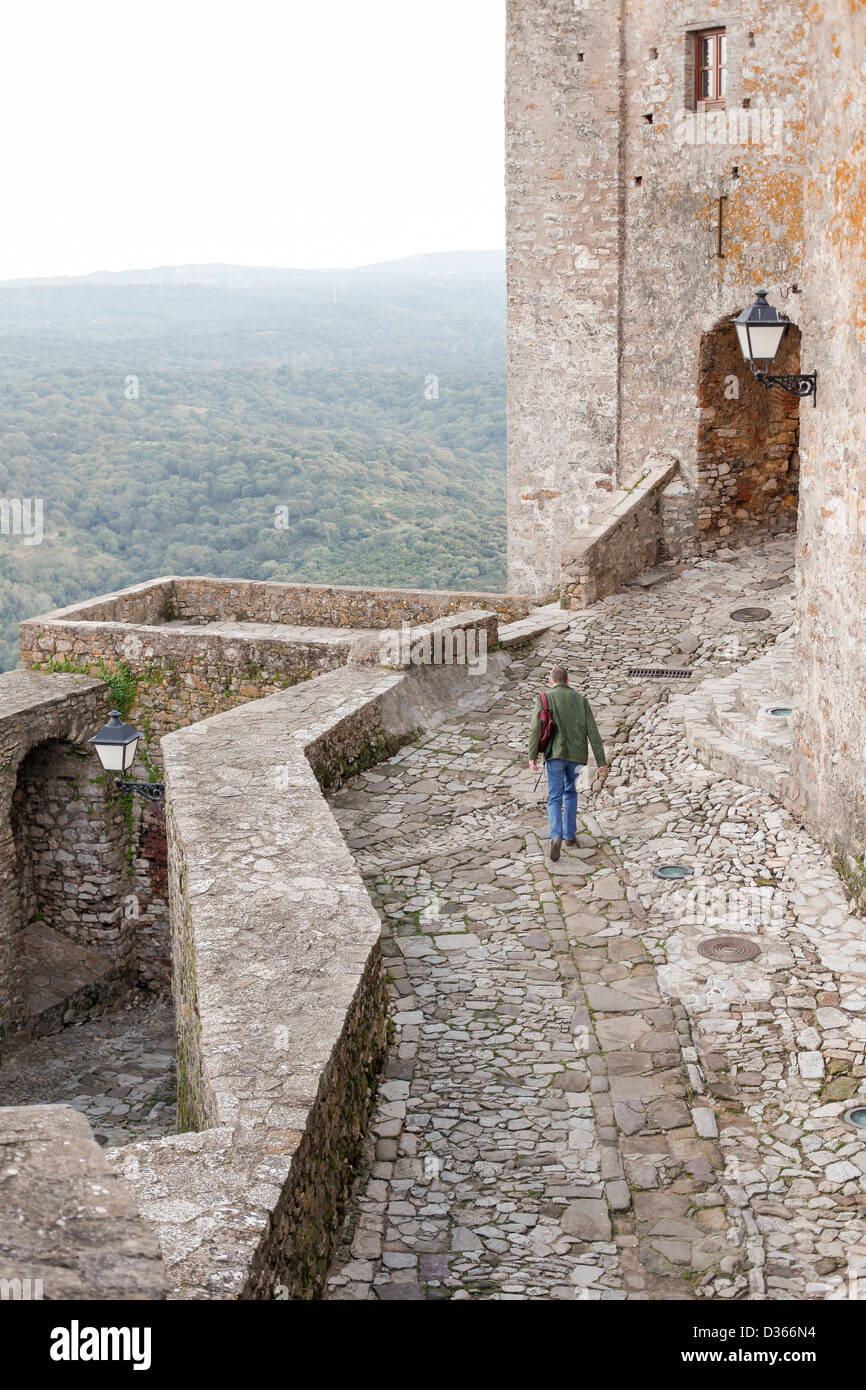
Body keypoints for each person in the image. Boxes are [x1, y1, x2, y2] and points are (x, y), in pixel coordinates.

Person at [528, 665, 607, 861]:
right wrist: (601, 761)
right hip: (578, 756)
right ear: (568, 680)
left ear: (551, 682)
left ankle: (556, 835)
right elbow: (593, 732)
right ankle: (570, 836)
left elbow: (535, 729)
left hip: (555, 754)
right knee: (571, 793)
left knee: (554, 797)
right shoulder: (581, 700)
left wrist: (532, 756)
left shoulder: (544, 698)